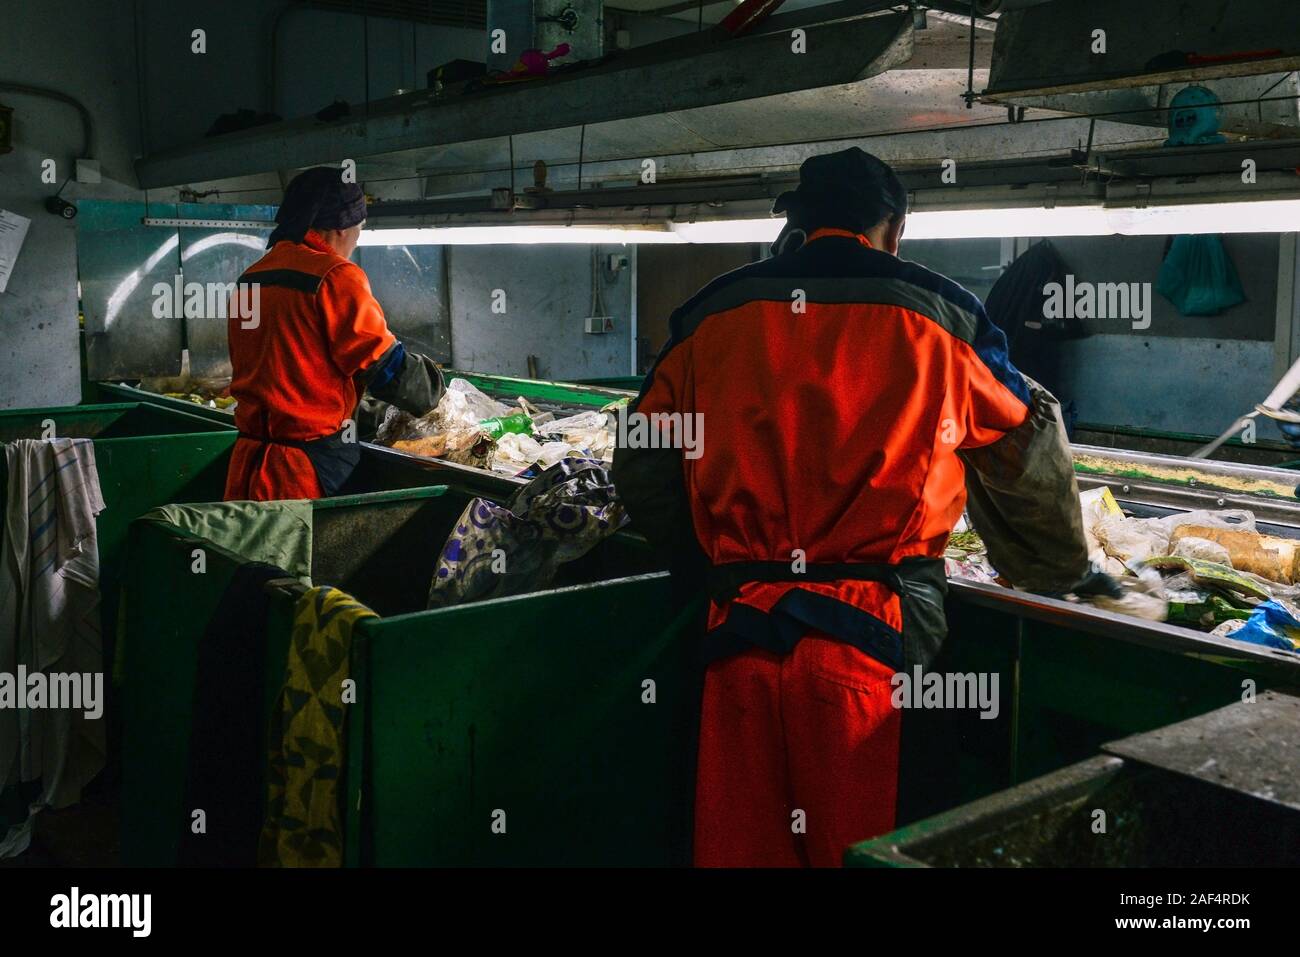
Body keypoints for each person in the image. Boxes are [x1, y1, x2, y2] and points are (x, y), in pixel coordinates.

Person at [613, 147, 1097, 868]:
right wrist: (1055, 568)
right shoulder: (944, 317)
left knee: (743, 846)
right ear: (893, 229)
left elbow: (640, 457)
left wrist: (707, 557)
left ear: (798, 225)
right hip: (880, 644)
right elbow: (1026, 446)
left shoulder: (712, 313)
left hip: (738, 634)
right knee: (869, 851)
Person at [224, 167, 443, 500]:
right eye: (360, 227)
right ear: (341, 227)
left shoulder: (252, 278)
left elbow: (294, 365)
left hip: (248, 464)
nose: (357, 238)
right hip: (302, 471)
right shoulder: (335, 277)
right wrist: (437, 392)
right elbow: (386, 370)